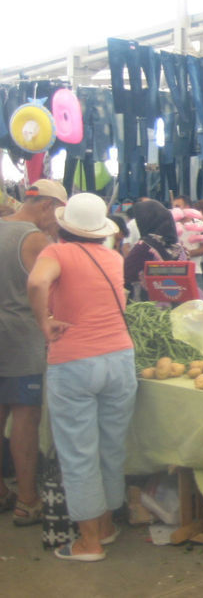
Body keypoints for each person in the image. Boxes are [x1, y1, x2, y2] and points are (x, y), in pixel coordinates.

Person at [26, 193, 135, 561]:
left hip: (75, 361)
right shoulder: (114, 257)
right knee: (110, 448)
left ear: (64, 224)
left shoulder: (55, 253)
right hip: (120, 359)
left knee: (79, 452)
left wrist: (44, 323)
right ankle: (104, 527)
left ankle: (88, 543)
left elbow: (37, 284)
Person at [0, 179, 67, 526]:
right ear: (46, 206)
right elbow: (49, 289)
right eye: (58, 215)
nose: (57, 223)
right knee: (25, 419)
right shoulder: (34, 239)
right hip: (19, 339)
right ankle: (28, 500)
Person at [123, 200, 188, 300]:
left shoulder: (144, 247)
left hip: (148, 306)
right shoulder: (179, 247)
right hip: (176, 302)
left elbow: (126, 274)